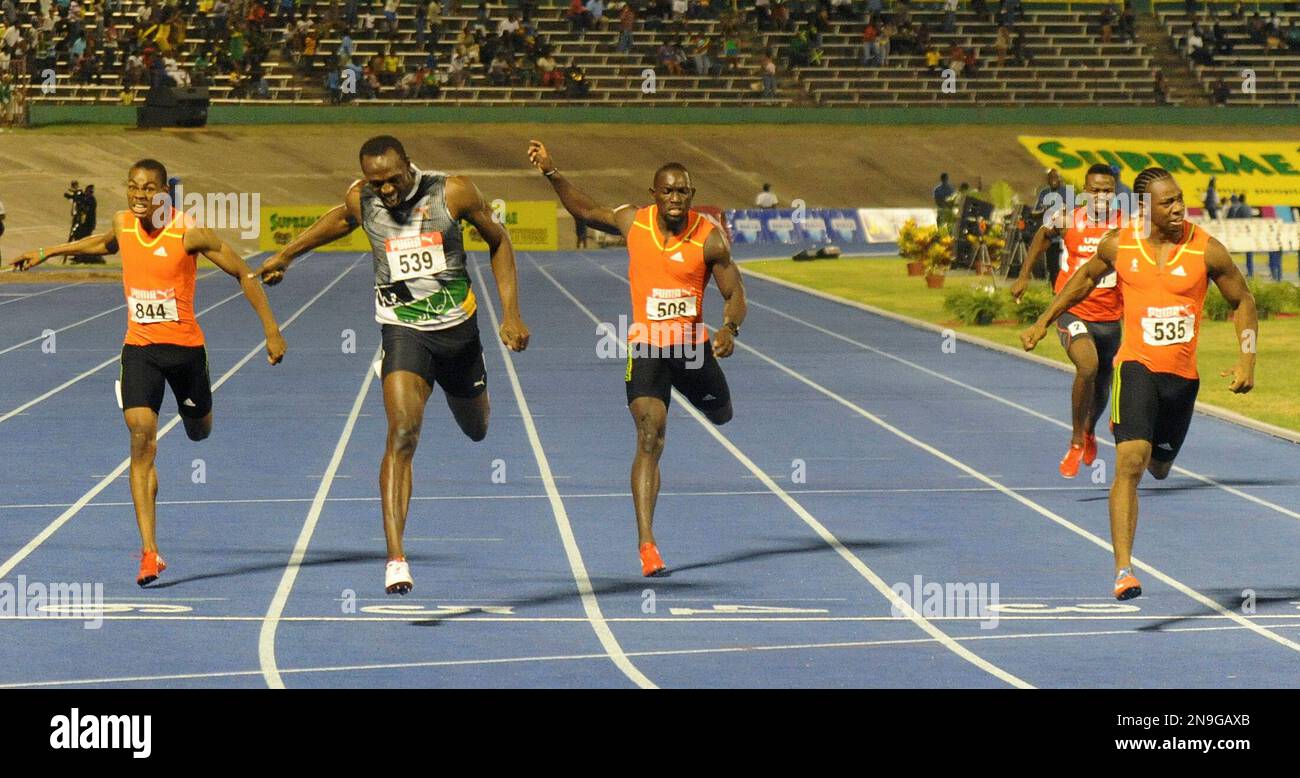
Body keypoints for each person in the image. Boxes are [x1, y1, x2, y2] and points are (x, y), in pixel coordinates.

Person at [255, 136, 529, 595]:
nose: (385, 191)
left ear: (409, 167)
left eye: (392, 180)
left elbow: (499, 242)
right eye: (376, 183)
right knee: (402, 433)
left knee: (477, 428)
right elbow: (339, 221)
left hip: (458, 333)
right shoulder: (361, 197)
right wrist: (287, 254)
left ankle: (468, 389)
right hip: (402, 331)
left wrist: (511, 313)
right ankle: (396, 558)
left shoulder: (453, 192)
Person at [10, 158, 286, 586]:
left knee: (199, 430)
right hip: (140, 349)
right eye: (133, 187)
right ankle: (150, 552)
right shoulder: (124, 223)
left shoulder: (189, 233)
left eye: (149, 188)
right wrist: (47, 252)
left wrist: (271, 331)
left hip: (186, 353)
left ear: (165, 193)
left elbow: (243, 273)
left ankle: (200, 415)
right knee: (141, 436)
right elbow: (103, 244)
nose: (140, 195)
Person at [1021, 167, 1257, 601]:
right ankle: (1123, 570)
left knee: (1159, 468)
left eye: (1180, 199)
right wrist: (1042, 321)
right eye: (1167, 202)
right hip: (1137, 368)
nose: (1177, 208)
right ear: (1146, 207)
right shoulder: (1121, 244)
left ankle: (1159, 457)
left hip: (1182, 381)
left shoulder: (1206, 249)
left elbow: (1242, 299)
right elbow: (1081, 282)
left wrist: (1248, 358)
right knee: (1129, 462)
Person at [527, 139, 747, 577]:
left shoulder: (709, 239)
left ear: (690, 194)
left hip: (690, 348)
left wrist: (729, 328)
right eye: (667, 191)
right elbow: (586, 211)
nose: (675, 198)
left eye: (683, 191)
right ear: (654, 194)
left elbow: (735, 292)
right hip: (647, 345)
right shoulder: (635, 223)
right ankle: (647, 545)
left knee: (722, 415)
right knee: (650, 435)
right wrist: (552, 172)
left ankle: (707, 399)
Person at [1011, 164, 1123, 478]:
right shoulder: (1068, 218)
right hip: (1072, 310)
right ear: (1085, 191)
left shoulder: (1125, 226)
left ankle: (1089, 430)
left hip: (1110, 317)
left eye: (1107, 190)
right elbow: (1040, 237)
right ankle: (1075, 440)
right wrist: (1023, 276)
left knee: (1102, 384)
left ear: (1114, 193)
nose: (1101, 196)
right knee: (1087, 366)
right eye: (1095, 190)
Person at [1033, 168, 1068, 287]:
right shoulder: (1044, 193)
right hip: (1050, 237)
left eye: (1056, 177)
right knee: (1052, 266)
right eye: (1051, 178)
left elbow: (1076, 212)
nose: (1053, 180)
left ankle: (1062, 288)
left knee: (1064, 266)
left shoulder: (1067, 192)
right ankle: (1055, 289)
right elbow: (1035, 213)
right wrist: (1044, 211)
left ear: (1060, 179)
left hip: (1065, 238)